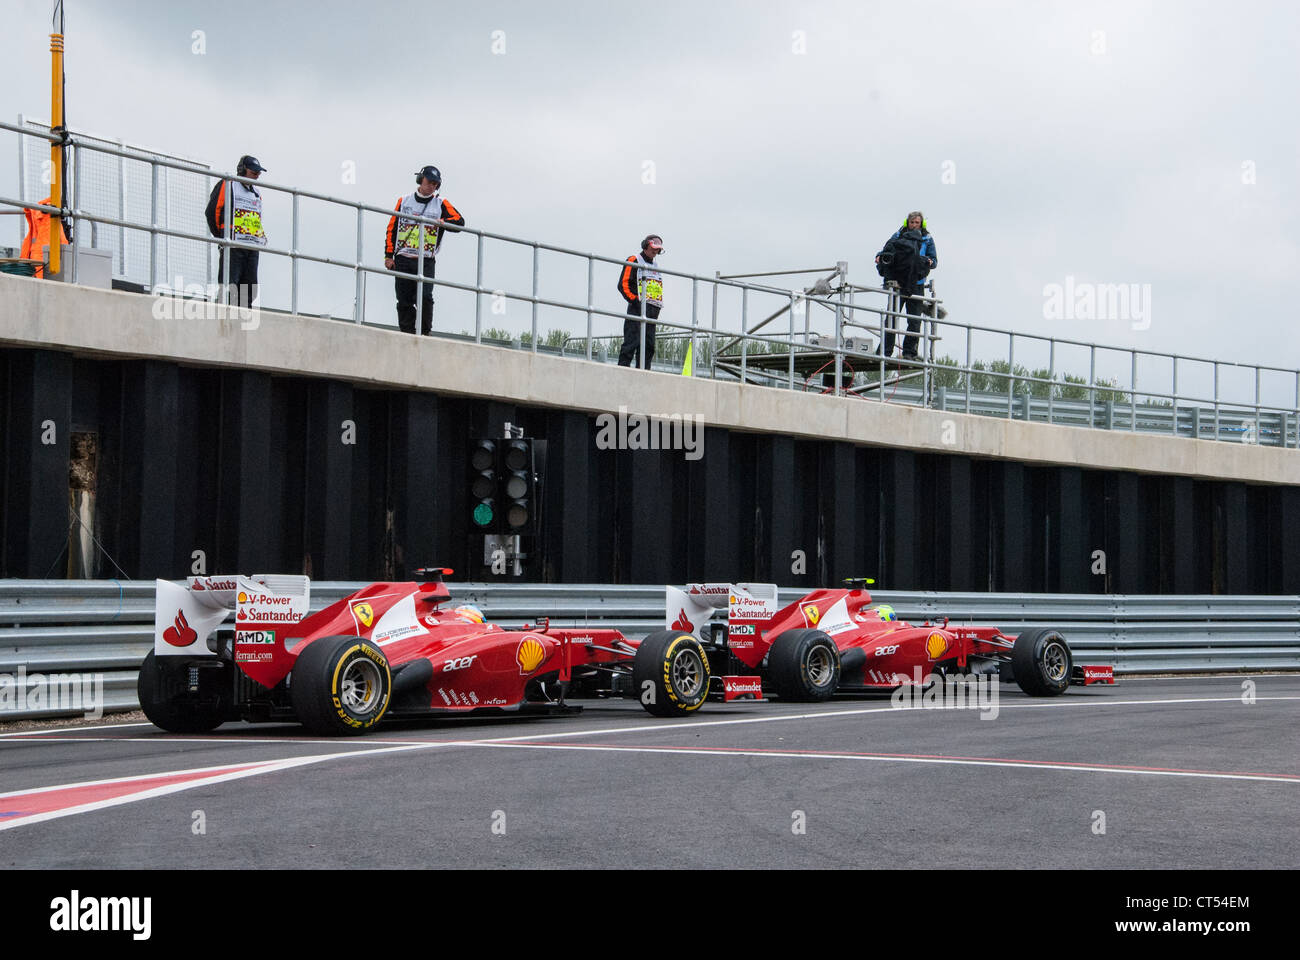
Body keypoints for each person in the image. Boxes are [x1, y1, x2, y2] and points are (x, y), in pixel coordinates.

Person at [384, 165, 465, 335]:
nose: (431, 186)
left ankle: (425, 333)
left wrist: (444, 222)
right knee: (404, 299)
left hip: (426, 259)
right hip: (403, 257)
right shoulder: (404, 200)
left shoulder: (441, 203)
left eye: (435, 184)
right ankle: (407, 333)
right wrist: (388, 255)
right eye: (429, 182)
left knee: (426, 297)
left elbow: (459, 221)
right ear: (421, 180)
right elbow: (392, 227)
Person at [205, 155, 267, 309]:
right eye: (253, 172)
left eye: (258, 173)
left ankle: (244, 318)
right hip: (233, 245)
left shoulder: (257, 193)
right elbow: (212, 212)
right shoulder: (227, 184)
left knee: (250, 288)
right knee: (229, 287)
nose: (257, 175)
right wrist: (222, 237)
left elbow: (256, 219)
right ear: (242, 170)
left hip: (252, 248)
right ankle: (224, 319)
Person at [874, 211, 937, 360]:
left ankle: (909, 352)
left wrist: (928, 262)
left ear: (922, 224)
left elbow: (934, 261)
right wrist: (879, 256)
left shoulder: (927, 239)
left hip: (917, 283)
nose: (914, 225)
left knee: (914, 320)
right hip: (898, 284)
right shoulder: (898, 236)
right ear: (906, 223)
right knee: (891, 318)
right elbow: (886, 250)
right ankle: (885, 351)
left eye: (917, 223)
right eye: (912, 222)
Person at [617, 234, 664, 368]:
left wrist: (657, 307)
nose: (655, 252)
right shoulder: (634, 260)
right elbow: (623, 285)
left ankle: (644, 376)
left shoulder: (656, 265)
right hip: (636, 310)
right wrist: (636, 301)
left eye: (658, 250)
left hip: (652, 313)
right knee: (631, 344)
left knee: (648, 347)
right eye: (653, 248)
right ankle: (621, 375)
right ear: (645, 246)